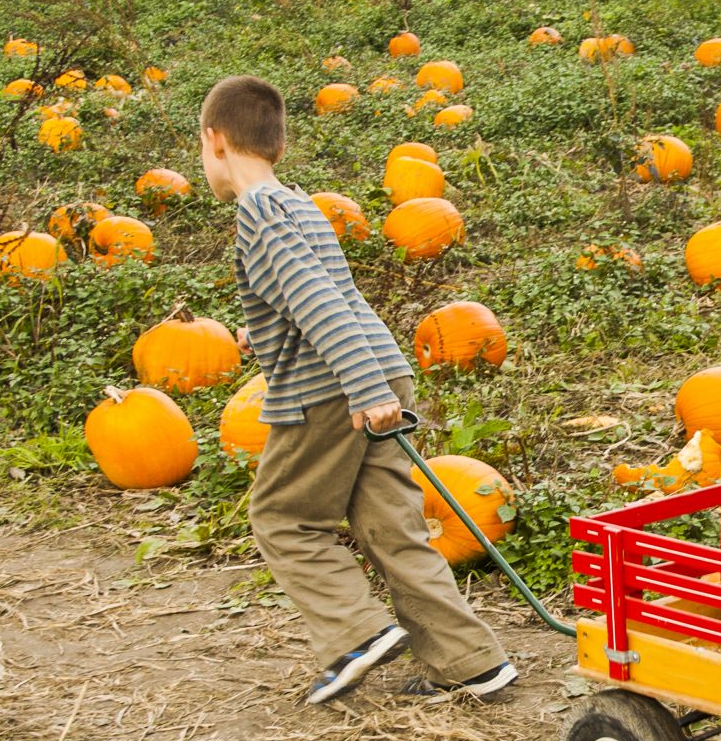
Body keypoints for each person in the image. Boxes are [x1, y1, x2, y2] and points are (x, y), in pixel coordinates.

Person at [198, 74, 515, 703]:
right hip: (377, 370)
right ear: (278, 147)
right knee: (394, 528)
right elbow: (322, 294)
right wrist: (259, 333)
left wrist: (364, 390)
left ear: (214, 142)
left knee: (284, 517)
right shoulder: (298, 204)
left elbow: (318, 301)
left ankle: (355, 633)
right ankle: (471, 661)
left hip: (333, 390)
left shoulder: (258, 214)